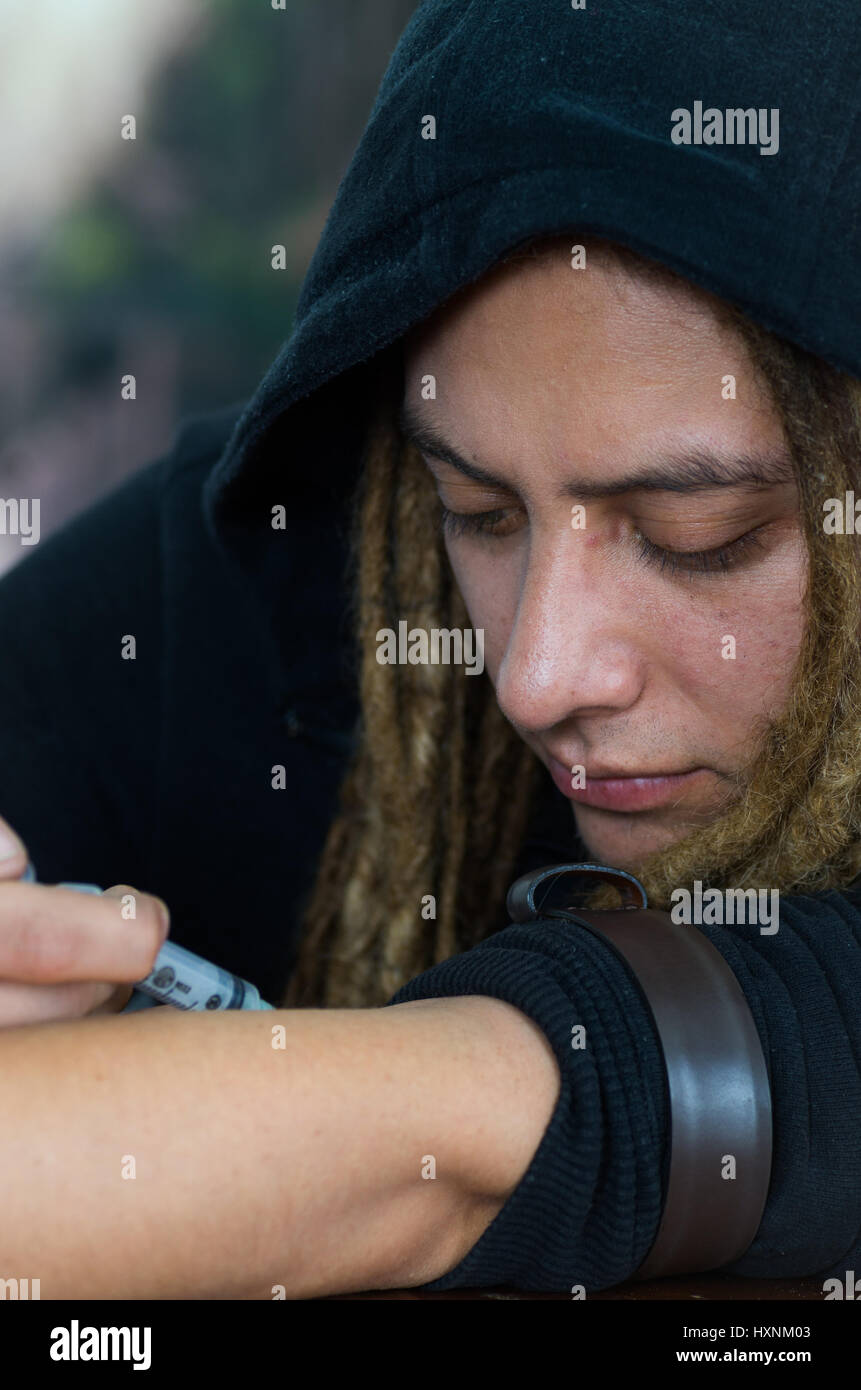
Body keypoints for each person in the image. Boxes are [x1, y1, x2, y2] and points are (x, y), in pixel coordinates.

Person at [0, 0, 859, 1297]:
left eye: (698, 536)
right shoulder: (261, 566)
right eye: (477, 513)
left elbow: (517, 1137)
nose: (538, 674)